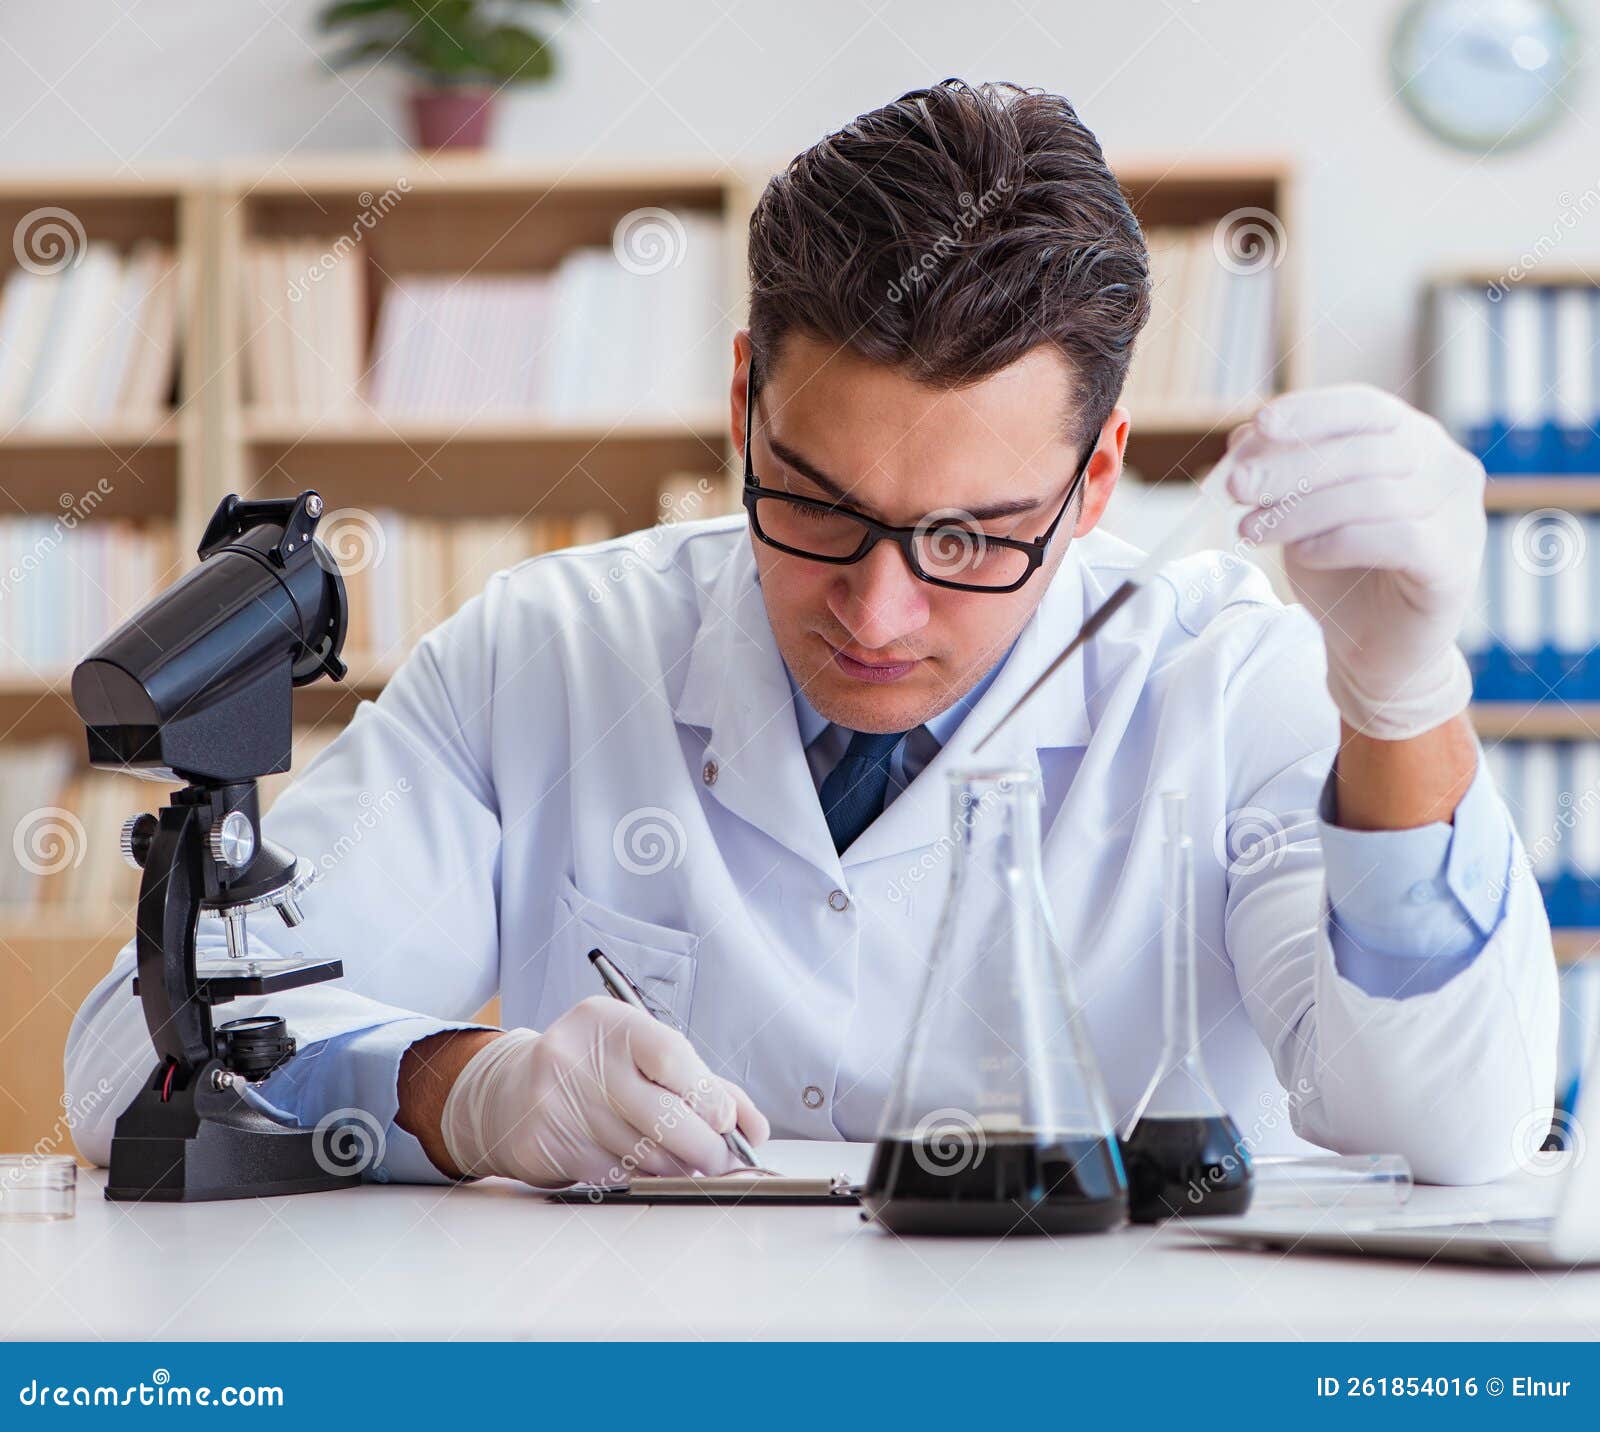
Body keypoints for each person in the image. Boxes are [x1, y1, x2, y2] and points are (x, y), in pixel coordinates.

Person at [67, 78, 1555, 1191]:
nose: (876, 612)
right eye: (819, 506)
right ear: (742, 407)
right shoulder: (553, 651)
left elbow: (1460, 1126)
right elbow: (131, 1062)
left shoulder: (1229, 677)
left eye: (969, 537)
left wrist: (1401, 698)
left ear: (1097, 478)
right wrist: (460, 1091)